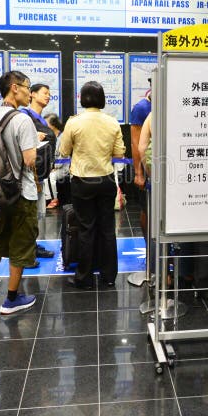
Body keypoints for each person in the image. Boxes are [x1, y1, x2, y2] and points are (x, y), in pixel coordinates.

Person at [0, 71, 39, 314]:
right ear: (14, 88)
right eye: (26, 88)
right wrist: (36, 143)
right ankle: (11, 298)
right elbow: (30, 159)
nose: (29, 93)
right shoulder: (22, 120)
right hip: (21, 192)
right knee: (22, 245)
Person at [60, 81, 125, 289]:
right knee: (107, 229)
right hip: (105, 180)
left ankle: (84, 278)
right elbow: (119, 153)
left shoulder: (74, 122)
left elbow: (63, 151)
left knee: (86, 229)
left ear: (82, 99)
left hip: (81, 181)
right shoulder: (112, 122)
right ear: (102, 99)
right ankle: (108, 277)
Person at [19, 83, 56, 259]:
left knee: (37, 213)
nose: (48, 96)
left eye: (49, 94)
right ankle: (26, 251)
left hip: (40, 173)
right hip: (28, 173)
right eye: (44, 93)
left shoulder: (41, 119)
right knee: (28, 214)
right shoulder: (24, 115)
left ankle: (32, 245)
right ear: (32, 94)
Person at [130, 84, 152, 239]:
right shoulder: (142, 108)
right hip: (147, 167)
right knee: (147, 209)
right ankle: (149, 248)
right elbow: (136, 143)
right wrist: (139, 173)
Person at [44, 113, 67, 209]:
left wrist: (53, 167)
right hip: (52, 166)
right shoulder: (51, 137)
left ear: (53, 125)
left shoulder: (63, 137)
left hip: (64, 167)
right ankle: (46, 199)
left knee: (50, 177)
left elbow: (63, 156)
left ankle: (54, 199)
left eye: (46, 124)